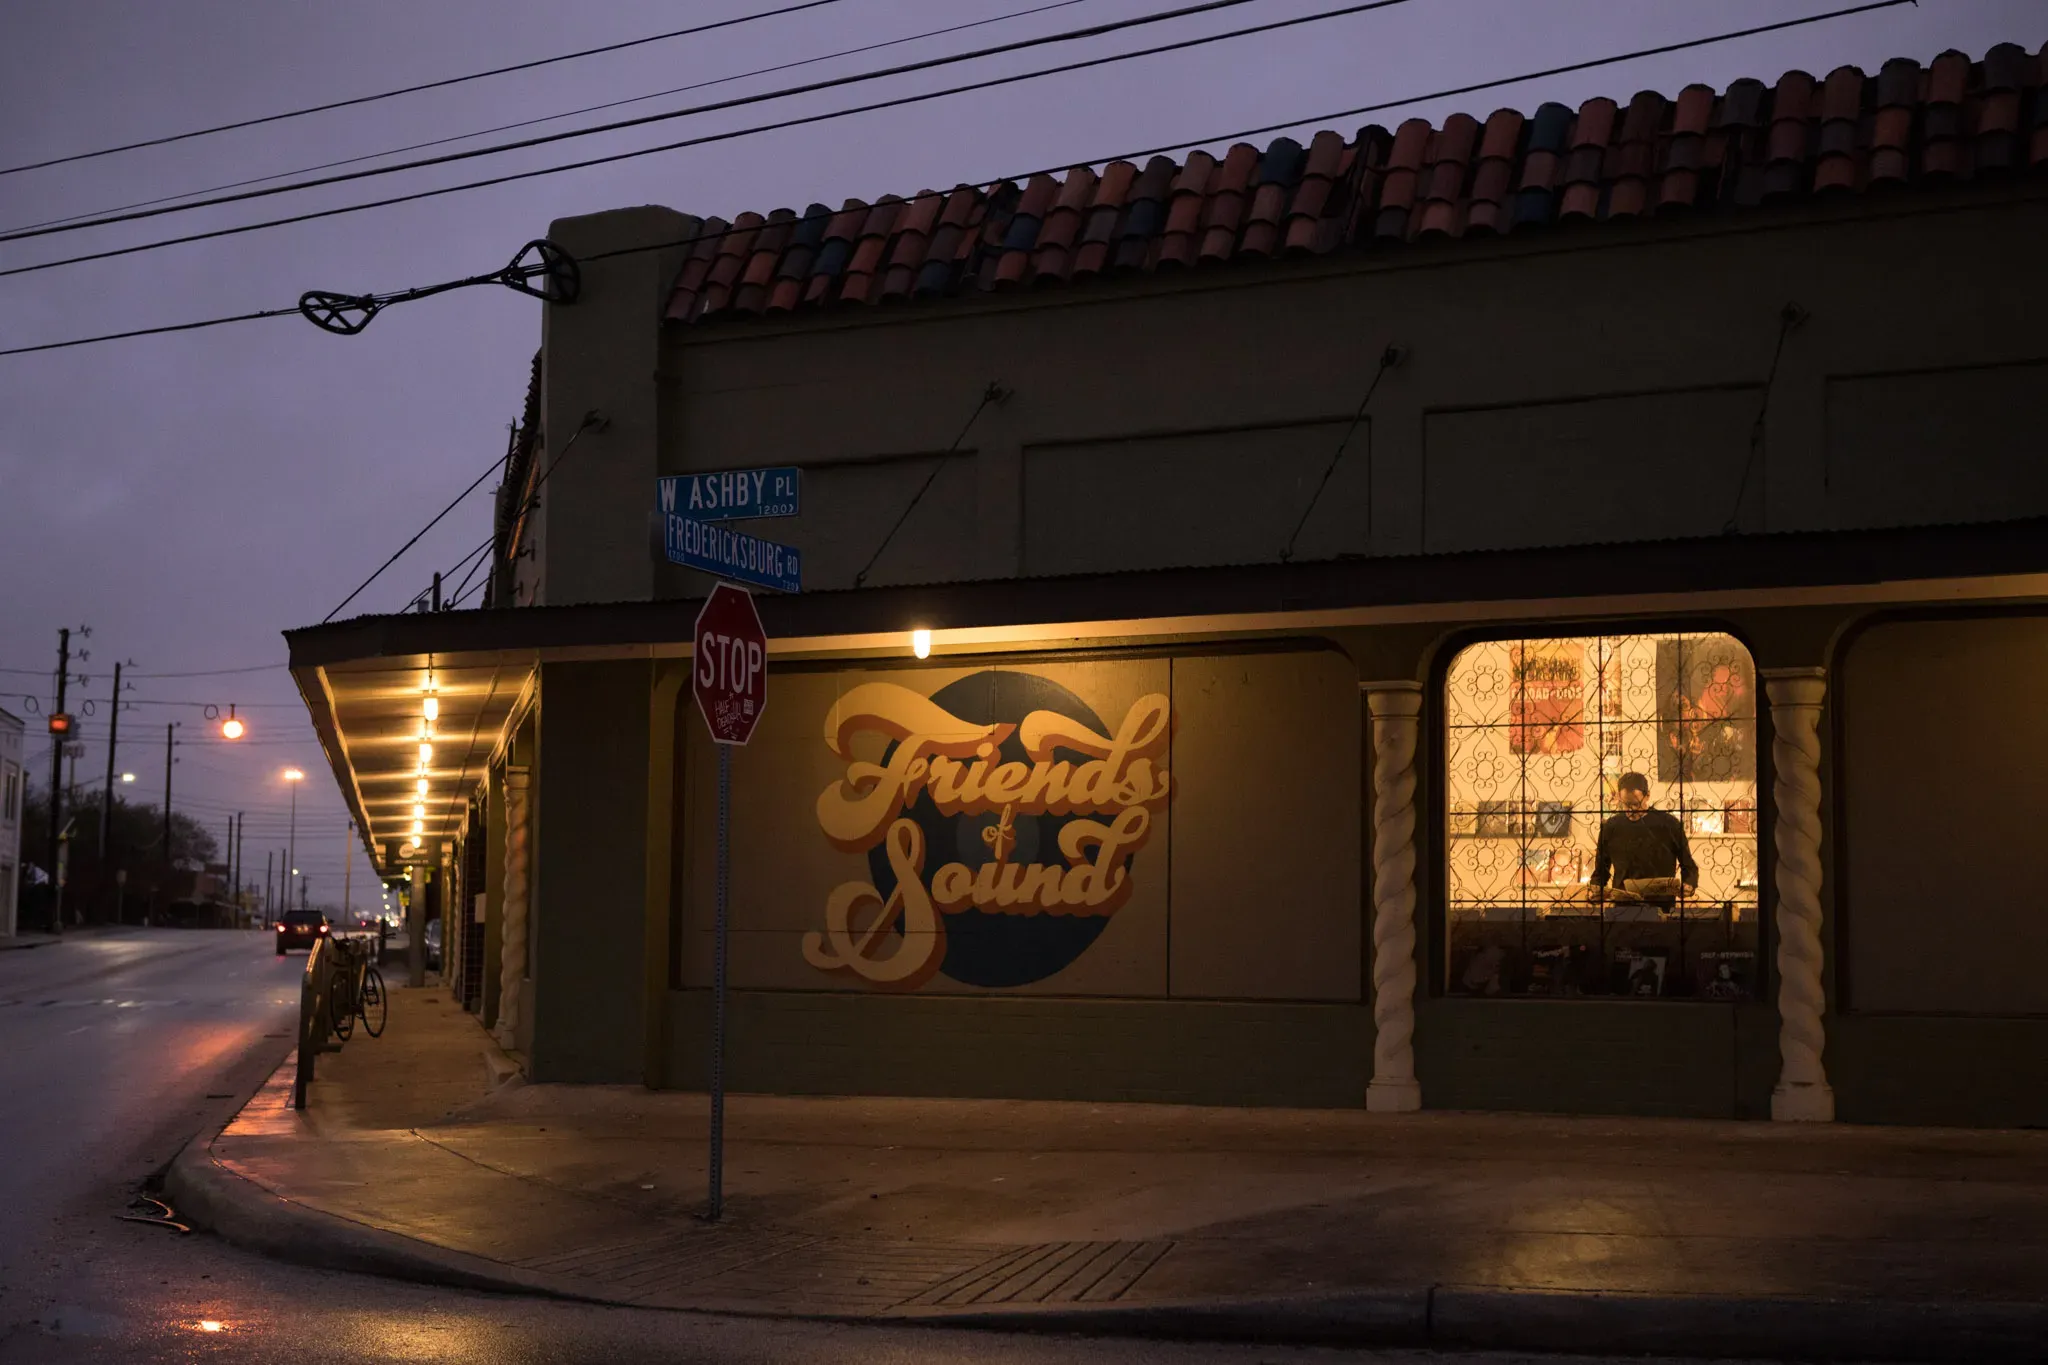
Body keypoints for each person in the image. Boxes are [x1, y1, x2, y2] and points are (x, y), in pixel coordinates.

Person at [1589, 772, 1697, 907]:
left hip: (1661, 910)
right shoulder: (1610, 827)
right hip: (1622, 911)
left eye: (1635, 804)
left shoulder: (1669, 824)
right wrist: (1595, 890)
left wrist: (1689, 884)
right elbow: (1600, 871)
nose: (1630, 810)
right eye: (1625, 804)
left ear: (1647, 796)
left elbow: (1689, 866)